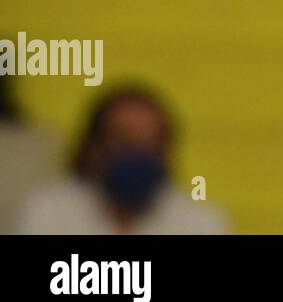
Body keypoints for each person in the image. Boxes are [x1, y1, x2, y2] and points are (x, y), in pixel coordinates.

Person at [16, 85, 228, 235]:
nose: (138, 154)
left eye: (150, 143)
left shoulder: (201, 223)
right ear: (93, 149)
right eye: (125, 141)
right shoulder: (47, 214)